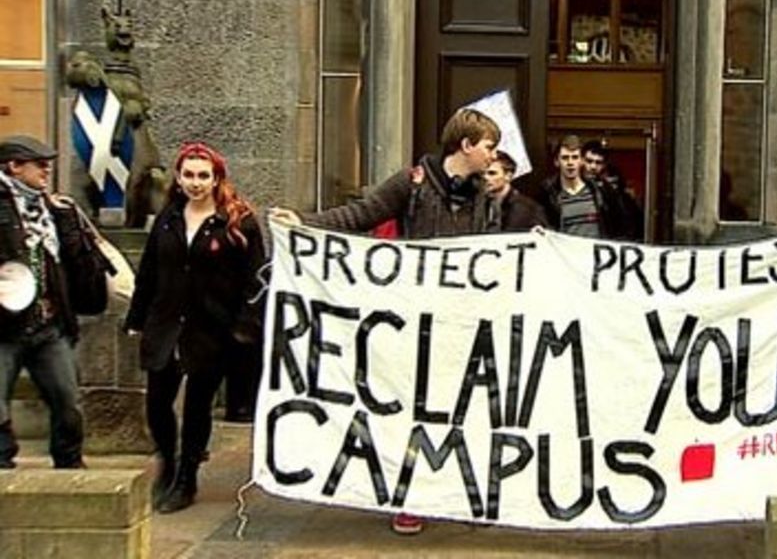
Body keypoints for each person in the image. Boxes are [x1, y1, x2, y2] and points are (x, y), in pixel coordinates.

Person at [270, 107, 501, 535]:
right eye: (489, 147)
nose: (493, 156)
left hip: (458, 324)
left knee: (458, 410)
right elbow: (362, 215)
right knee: (413, 412)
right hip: (412, 321)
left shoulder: (485, 197)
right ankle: (409, 497)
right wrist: (304, 224)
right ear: (467, 145)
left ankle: (454, 495)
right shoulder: (410, 183)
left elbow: (496, 252)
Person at [125, 142, 266, 513]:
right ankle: (167, 463)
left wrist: (245, 327)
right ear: (178, 177)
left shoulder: (239, 222)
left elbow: (256, 281)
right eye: (189, 174)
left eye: (203, 175)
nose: (196, 182)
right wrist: (137, 319)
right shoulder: (168, 219)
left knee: (198, 406)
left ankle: (187, 476)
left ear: (217, 178)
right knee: (158, 401)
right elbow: (150, 273)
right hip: (166, 323)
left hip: (211, 329)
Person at [0, 135, 98, 470]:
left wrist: (67, 221)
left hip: (49, 324)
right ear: (14, 167)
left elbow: (74, 261)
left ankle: (70, 465)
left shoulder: (51, 208)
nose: (46, 170)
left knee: (67, 400)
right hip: (4, 327)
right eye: (38, 164)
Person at [539, 135, 622, 239]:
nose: (570, 163)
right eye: (565, 158)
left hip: (595, 253)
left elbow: (619, 228)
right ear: (557, 162)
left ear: (581, 161)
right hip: (564, 253)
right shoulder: (548, 194)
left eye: (575, 157)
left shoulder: (600, 191)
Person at [581, 139, 643, 240]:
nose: (593, 166)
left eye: (598, 163)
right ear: (582, 160)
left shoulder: (610, 193)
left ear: (604, 165)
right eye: (589, 161)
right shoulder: (569, 186)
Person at [483, 151, 548, 231]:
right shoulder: (474, 205)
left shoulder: (530, 209)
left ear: (508, 176)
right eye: (482, 173)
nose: (485, 177)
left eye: (492, 173)